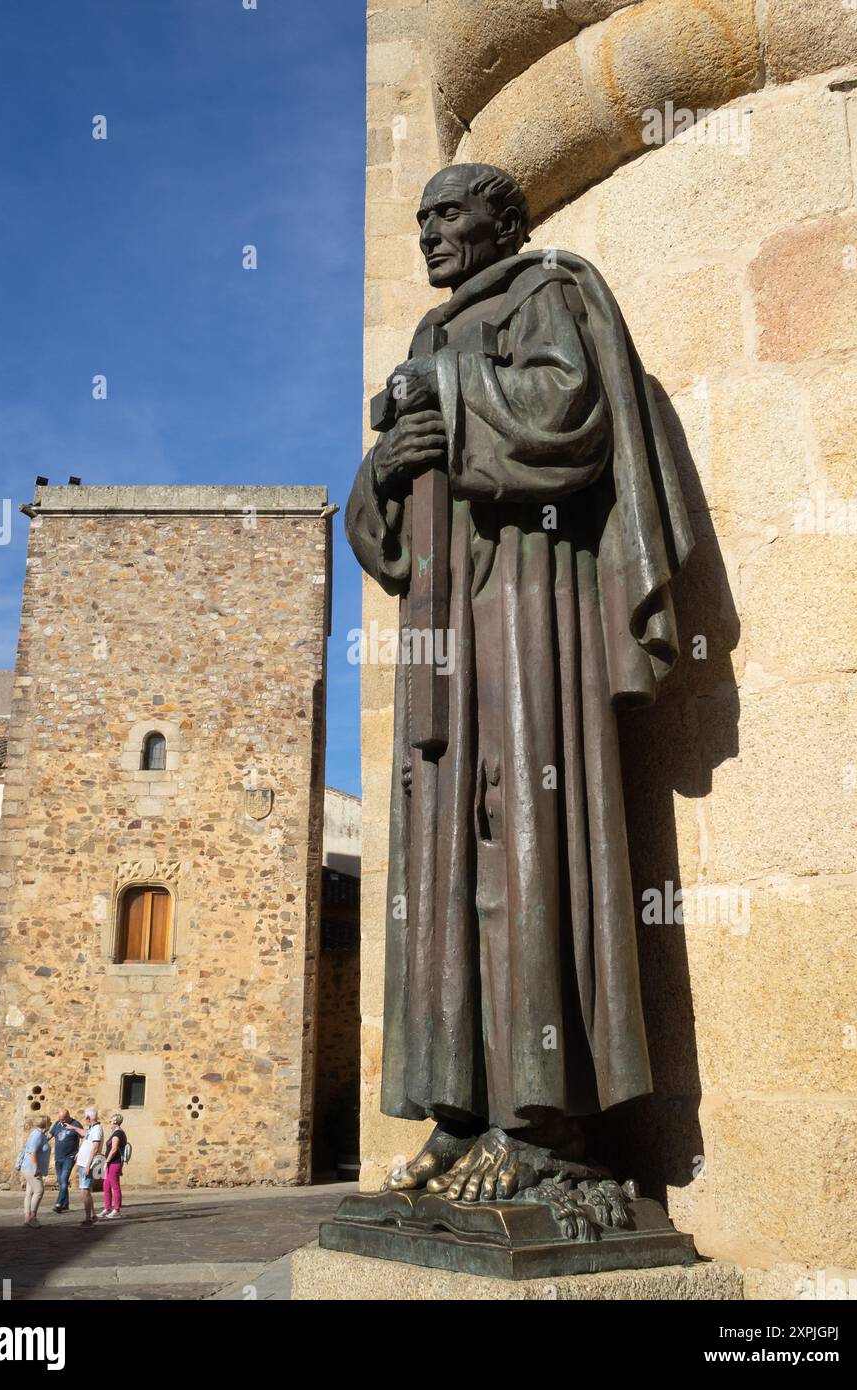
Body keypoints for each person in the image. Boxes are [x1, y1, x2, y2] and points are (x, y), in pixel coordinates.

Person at [346, 163, 692, 1202]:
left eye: (448, 216)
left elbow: (568, 416)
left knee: (526, 843)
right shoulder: (428, 335)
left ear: (503, 218)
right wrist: (391, 465)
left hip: (528, 613)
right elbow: (386, 516)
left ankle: (543, 1124)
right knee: (440, 859)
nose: (427, 236)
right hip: (442, 628)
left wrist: (444, 400)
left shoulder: (546, 291)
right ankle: (461, 1106)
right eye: (418, 221)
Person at [66, 1107, 104, 1225]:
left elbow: (95, 1147)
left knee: (85, 1191)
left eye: (85, 1117)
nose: (85, 1119)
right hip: (83, 1163)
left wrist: (88, 1165)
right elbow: (86, 1136)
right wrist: (74, 1128)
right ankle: (93, 1215)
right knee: (84, 1191)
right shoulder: (92, 1128)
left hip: (88, 1164)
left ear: (88, 1118)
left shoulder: (97, 1129)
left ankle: (88, 1218)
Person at [22, 1115, 51, 1227]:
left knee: (29, 1193)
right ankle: (32, 1217)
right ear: (46, 1124)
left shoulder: (39, 1134)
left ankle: (27, 1218)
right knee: (39, 1191)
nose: (51, 1123)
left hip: (29, 1167)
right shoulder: (38, 1134)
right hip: (31, 1168)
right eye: (50, 1122)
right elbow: (32, 1152)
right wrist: (36, 1167)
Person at [50, 1108, 80, 1213]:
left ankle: (59, 1203)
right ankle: (65, 1204)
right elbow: (51, 1135)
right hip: (58, 1157)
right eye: (60, 1119)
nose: (61, 1121)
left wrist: (79, 1152)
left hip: (69, 1157)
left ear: (68, 1116)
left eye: (63, 1119)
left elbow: (85, 1136)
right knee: (61, 1181)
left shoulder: (76, 1124)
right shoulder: (57, 1123)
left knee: (63, 1180)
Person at [101, 1113, 127, 1219]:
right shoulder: (115, 1133)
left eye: (111, 1120)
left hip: (114, 1163)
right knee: (106, 1185)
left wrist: (106, 1161)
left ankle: (116, 1210)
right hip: (111, 1163)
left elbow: (114, 1149)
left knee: (115, 1186)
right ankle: (107, 1208)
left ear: (115, 1121)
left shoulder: (118, 1134)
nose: (110, 1122)